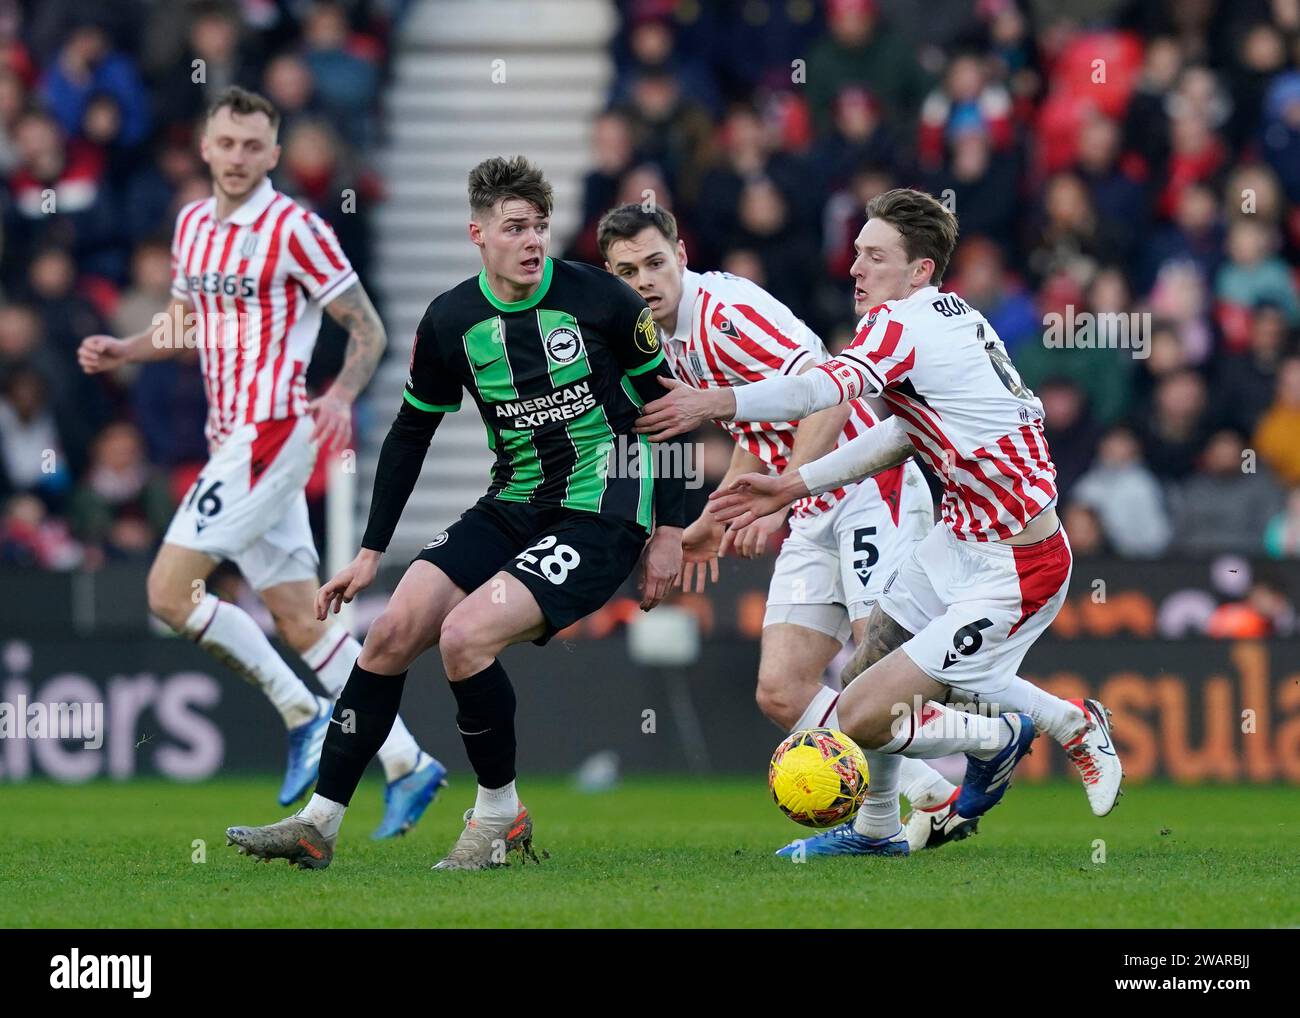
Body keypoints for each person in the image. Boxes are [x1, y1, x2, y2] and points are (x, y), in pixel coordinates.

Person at [225, 156, 687, 871]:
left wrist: (670, 531)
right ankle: (319, 822)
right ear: (478, 234)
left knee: (464, 637)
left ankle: (499, 814)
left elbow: (669, 408)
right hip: (512, 501)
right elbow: (412, 431)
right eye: (514, 227)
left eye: (539, 226)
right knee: (388, 634)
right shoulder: (450, 320)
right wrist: (372, 552)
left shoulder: (602, 301)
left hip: (602, 510)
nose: (532, 240)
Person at [635, 188, 1123, 857]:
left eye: (874, 257)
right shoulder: (945, 317)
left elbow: (818, 389)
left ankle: (1069, 724)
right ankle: (876, 834)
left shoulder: (900, 327)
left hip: (1018, 564)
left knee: (868, 711)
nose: (855, 269)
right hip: (957, 541)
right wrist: (790, 485)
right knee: (862, 684)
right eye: (857, 254)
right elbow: (898, 432)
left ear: (919, 270)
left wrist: (716, 401)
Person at [77, 87, 445, 839]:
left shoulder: (295, 227)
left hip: (272, 432)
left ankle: (302, 712)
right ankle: (409, 762)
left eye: (254, 146)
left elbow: (367, 328)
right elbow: (185, 323)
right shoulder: (191, 224)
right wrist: (128, 347)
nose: (239, 157)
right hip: (230, 437)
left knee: (168, 593)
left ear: (275, 155)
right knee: (302, 622)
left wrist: (339, 394)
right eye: (227, 143)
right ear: (205, 148)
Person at [597, 202, 972, 851]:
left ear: (681, 257)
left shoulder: (725, 315)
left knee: (870, 681)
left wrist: (776, 495)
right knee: (781, 690)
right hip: (807, 502)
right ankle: (933, 791)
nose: (645, 281)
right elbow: (756, 423)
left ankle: (975, 755)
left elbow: (828, 391)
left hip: (865, 486)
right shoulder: (657, 340)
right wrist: (727, 506)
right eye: (627, 271)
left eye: (656, 263)